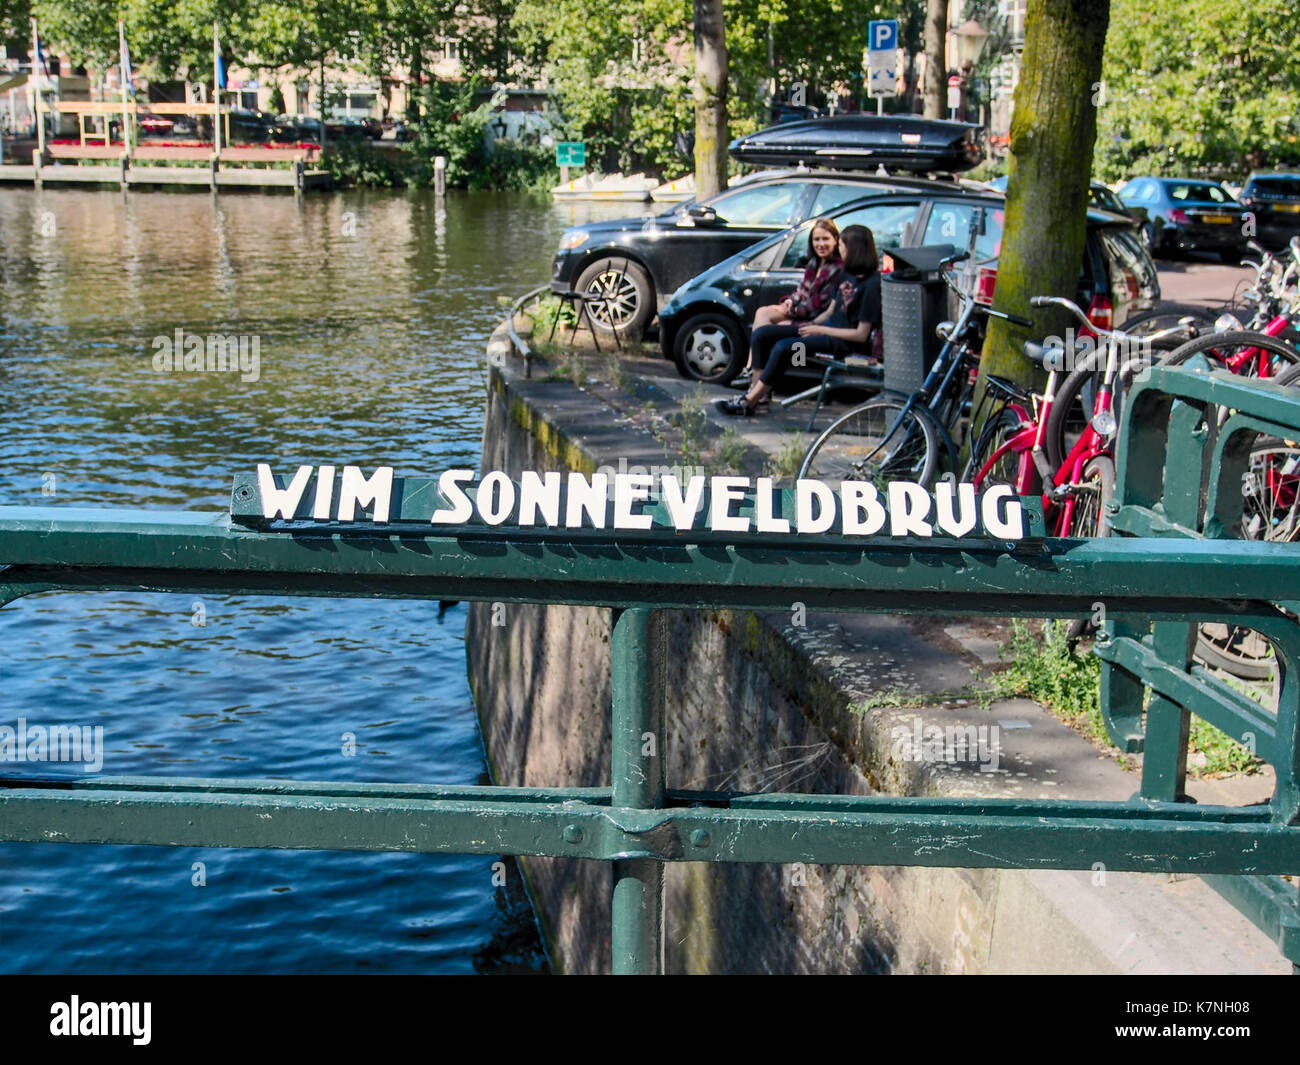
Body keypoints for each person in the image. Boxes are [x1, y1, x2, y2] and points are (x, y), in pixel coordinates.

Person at [716, 224, 882, 417]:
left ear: (855, 249)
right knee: (762, 334)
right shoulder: (846, 275)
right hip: (824, 330)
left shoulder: (871, 285)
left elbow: (861, 335)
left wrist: (819, 330)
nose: (840, 250)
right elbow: (829, 312)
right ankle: (759, 396)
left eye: (843, 246)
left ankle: (749, 402)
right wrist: (812, 325)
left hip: (843, 343)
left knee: (784, 347)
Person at [734, 218, 843, 386]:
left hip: (816, 320)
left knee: (772, 328)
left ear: (836, 240)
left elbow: (819, 306)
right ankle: (752, 370)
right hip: (801, 311)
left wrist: (793, 311)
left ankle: (756, 379)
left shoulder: (837, 268)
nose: (821, 244)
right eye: (816, 239)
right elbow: (802, 291)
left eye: (825, 239)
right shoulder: (814, 262)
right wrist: (791, 301)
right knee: (763, 312)